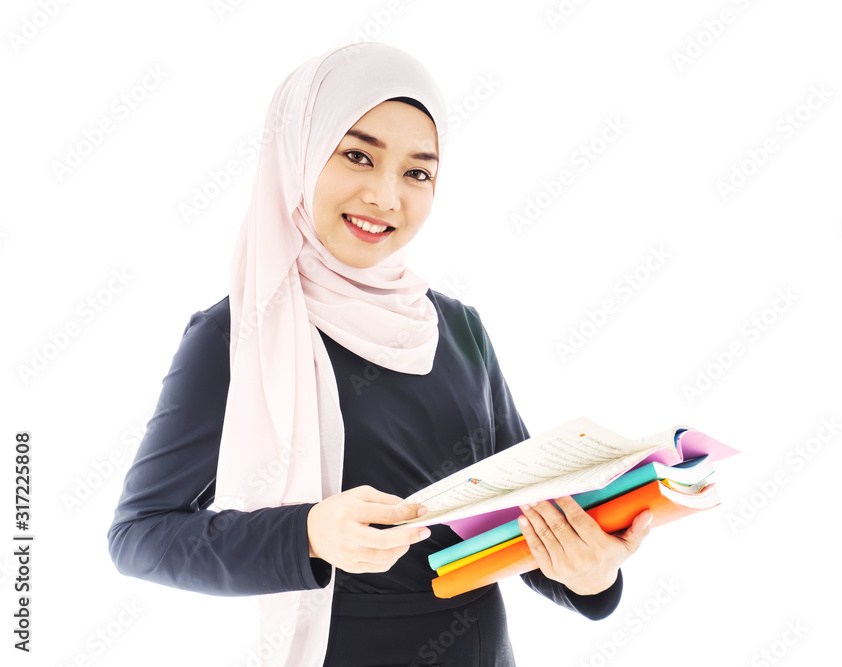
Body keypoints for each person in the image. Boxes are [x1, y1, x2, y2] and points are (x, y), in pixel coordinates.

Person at [107, 42, 652, 667]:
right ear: (300, 155)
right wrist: (308, 534)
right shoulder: (239, 333)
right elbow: (139, 536)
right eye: (358, 156)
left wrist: (589, 575)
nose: (386, 196)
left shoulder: (459, 327)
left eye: (417, 172)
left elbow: (518, 518)